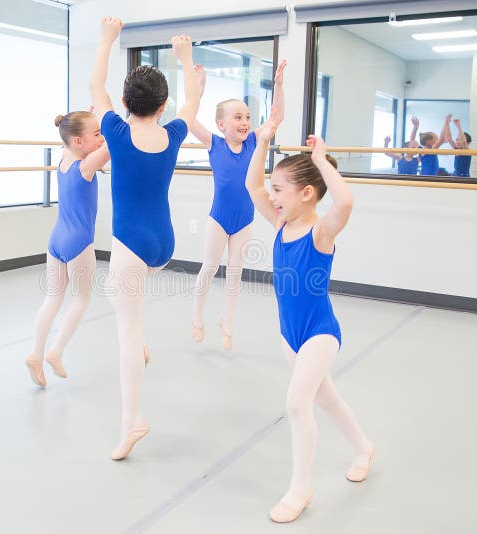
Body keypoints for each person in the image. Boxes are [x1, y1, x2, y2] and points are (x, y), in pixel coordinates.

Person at [245, 107, 374, 523]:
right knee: (327, 398)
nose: (273, 196)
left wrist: (320, 161)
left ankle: (300, 489)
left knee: (297, 404)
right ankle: (364, 447)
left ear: (307, 193)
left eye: (280, 189)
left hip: (320, 333)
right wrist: (263, 140)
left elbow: (347, 200)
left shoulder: (321, 232)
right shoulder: (282, 223)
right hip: (289, 334)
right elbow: (251, 186)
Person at [89, 17, 201, 460]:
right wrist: (187, 59)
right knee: (122, 301)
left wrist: (106, 39)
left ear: (123, 103)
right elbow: (193, 102)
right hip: (163, 244)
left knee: (127, 331)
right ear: (164, 105)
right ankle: (141, 347)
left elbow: (94, 82)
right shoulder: (173, 134)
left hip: (131, 244)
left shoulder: (115, 133)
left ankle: (132, 420)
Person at [189, 59, 287, 351]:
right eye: (237, 118)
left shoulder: (255, 142)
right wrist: (199, 91)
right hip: (218, 219)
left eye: (246, 117)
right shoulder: (214, 143)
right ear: (222, 125)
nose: (245, 122)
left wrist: (278, 85)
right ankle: (197, 318)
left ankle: (227, 324)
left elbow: (277, 117)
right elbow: (189, 120)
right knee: (208, 268)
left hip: (245, 219)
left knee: (235, 273)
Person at [25, 111, 109, 387]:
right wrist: (134, 118)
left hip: (56, 240)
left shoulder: (64, 159)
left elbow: (80, 134)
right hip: (78, 242)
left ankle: (35, 354)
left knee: (52, 299)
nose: (101, 138)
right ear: (77, 140)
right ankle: (55, 352)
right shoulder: (86, 166)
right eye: (96, 134)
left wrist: (91, 121)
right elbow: (116, 144)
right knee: (81, 299)